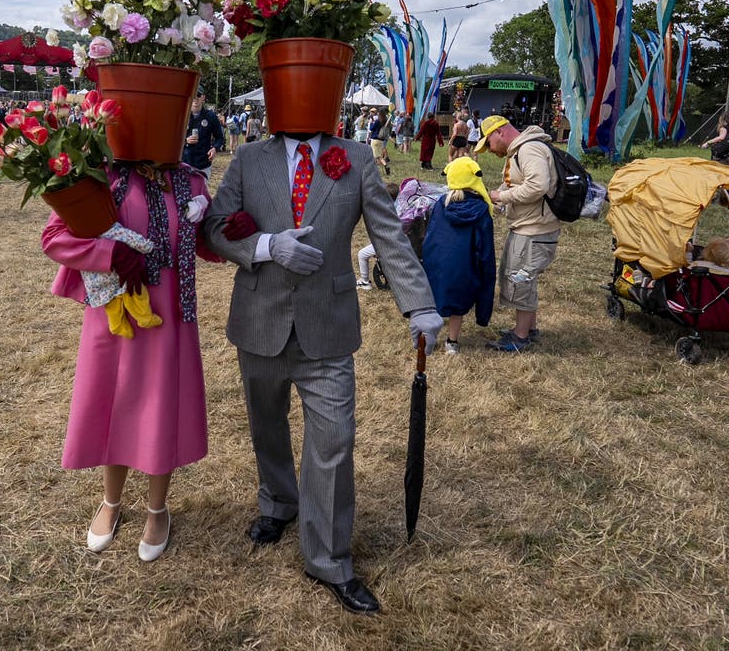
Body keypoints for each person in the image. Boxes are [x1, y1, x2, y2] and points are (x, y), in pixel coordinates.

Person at [203, 128, 442, 615]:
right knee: (266, 424)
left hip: (327, 329)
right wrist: (268, 246)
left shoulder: (354, 157)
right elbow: (215, 225)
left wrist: (418, 304)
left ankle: (328, 559)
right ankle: (279, 502)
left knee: (334, 442)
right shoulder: (249, 157)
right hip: (259, 320)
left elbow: (388, 234)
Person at [41, 163, 214, 562]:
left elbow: (205, 242)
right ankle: (111, 501)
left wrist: (230, 228)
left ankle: (157, 509)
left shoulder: (190, 180)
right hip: (113, 315)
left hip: (169, 315)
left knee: (159, 406)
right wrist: (109, 253)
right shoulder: (100, 175)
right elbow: (54, 238)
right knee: (113, 403)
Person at [478, 114, 558, 352]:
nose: (491, 150)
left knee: (521, 279)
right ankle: (528, 329)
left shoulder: (529, 150)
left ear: (499, 133)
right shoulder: (518, 151)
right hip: (527, 226)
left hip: (534, 229)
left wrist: (502, 197)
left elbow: (538, 185)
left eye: (489, 144)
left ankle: (520, 337)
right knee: (523, 277)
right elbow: (515, 183)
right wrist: (499, 196)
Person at [422, 156, 496, 354]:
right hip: (465, 265)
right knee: (458, 304)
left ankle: (427, 337)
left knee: (434, 299)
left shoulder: (440, 204)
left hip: (437, 262)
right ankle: (451, 342)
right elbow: (485, 247)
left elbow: (432, 233)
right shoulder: (481, 210)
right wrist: (485, 271)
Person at [182, 87, 226, 177]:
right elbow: (171, 138)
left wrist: (215, 148)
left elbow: (219, 138)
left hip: (203, 165)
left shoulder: (211, 116)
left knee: (200, 191)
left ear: (203, 97)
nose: (195, 98)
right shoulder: (181, 114)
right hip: (183, 164)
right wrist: (186, 140)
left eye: (198, 95)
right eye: (193, 95)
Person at [367, 108, 390, 176]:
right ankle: (386, 166)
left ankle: (372, 171)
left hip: (375, 139)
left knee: (374, 156)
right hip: (381, 140)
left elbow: (371, 128)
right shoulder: (385, 121)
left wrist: (371, 123)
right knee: (379, 156)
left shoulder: (377, 121)